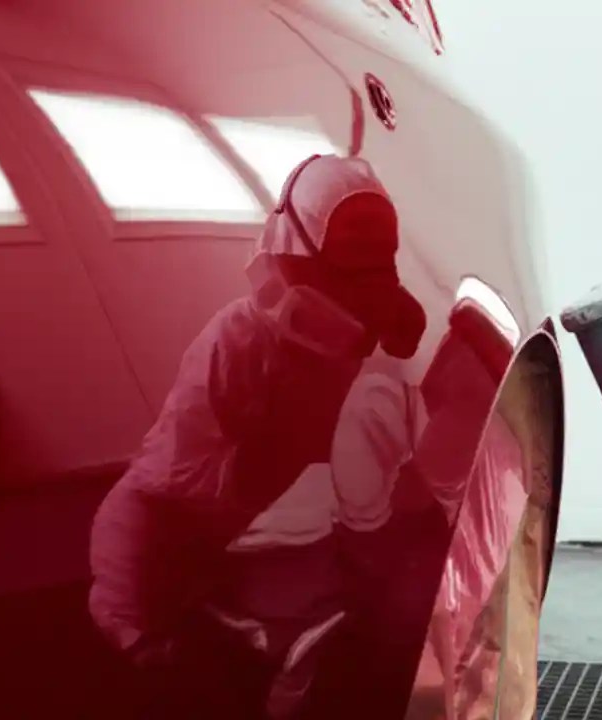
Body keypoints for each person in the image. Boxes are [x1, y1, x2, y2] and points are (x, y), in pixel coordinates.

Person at [86, 153, 427, 718]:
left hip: (319, 557)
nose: (367, 281)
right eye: (351, 252)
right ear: (300, 253)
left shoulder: (370, 340)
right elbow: (146, 494)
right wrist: (133, 629)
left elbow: (399, 330)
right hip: (224, 561)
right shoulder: (237, 345)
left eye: (377, 253)